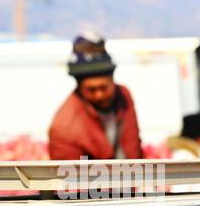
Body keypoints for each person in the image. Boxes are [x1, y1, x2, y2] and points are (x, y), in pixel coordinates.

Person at [48, 33, 142, 161]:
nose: (99, 95)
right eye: (91, 90)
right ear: (79, 87)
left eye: (104, 87)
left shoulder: (124, 96)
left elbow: (134, 150)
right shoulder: (63, 128)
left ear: (112, 79)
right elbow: (71, 177)